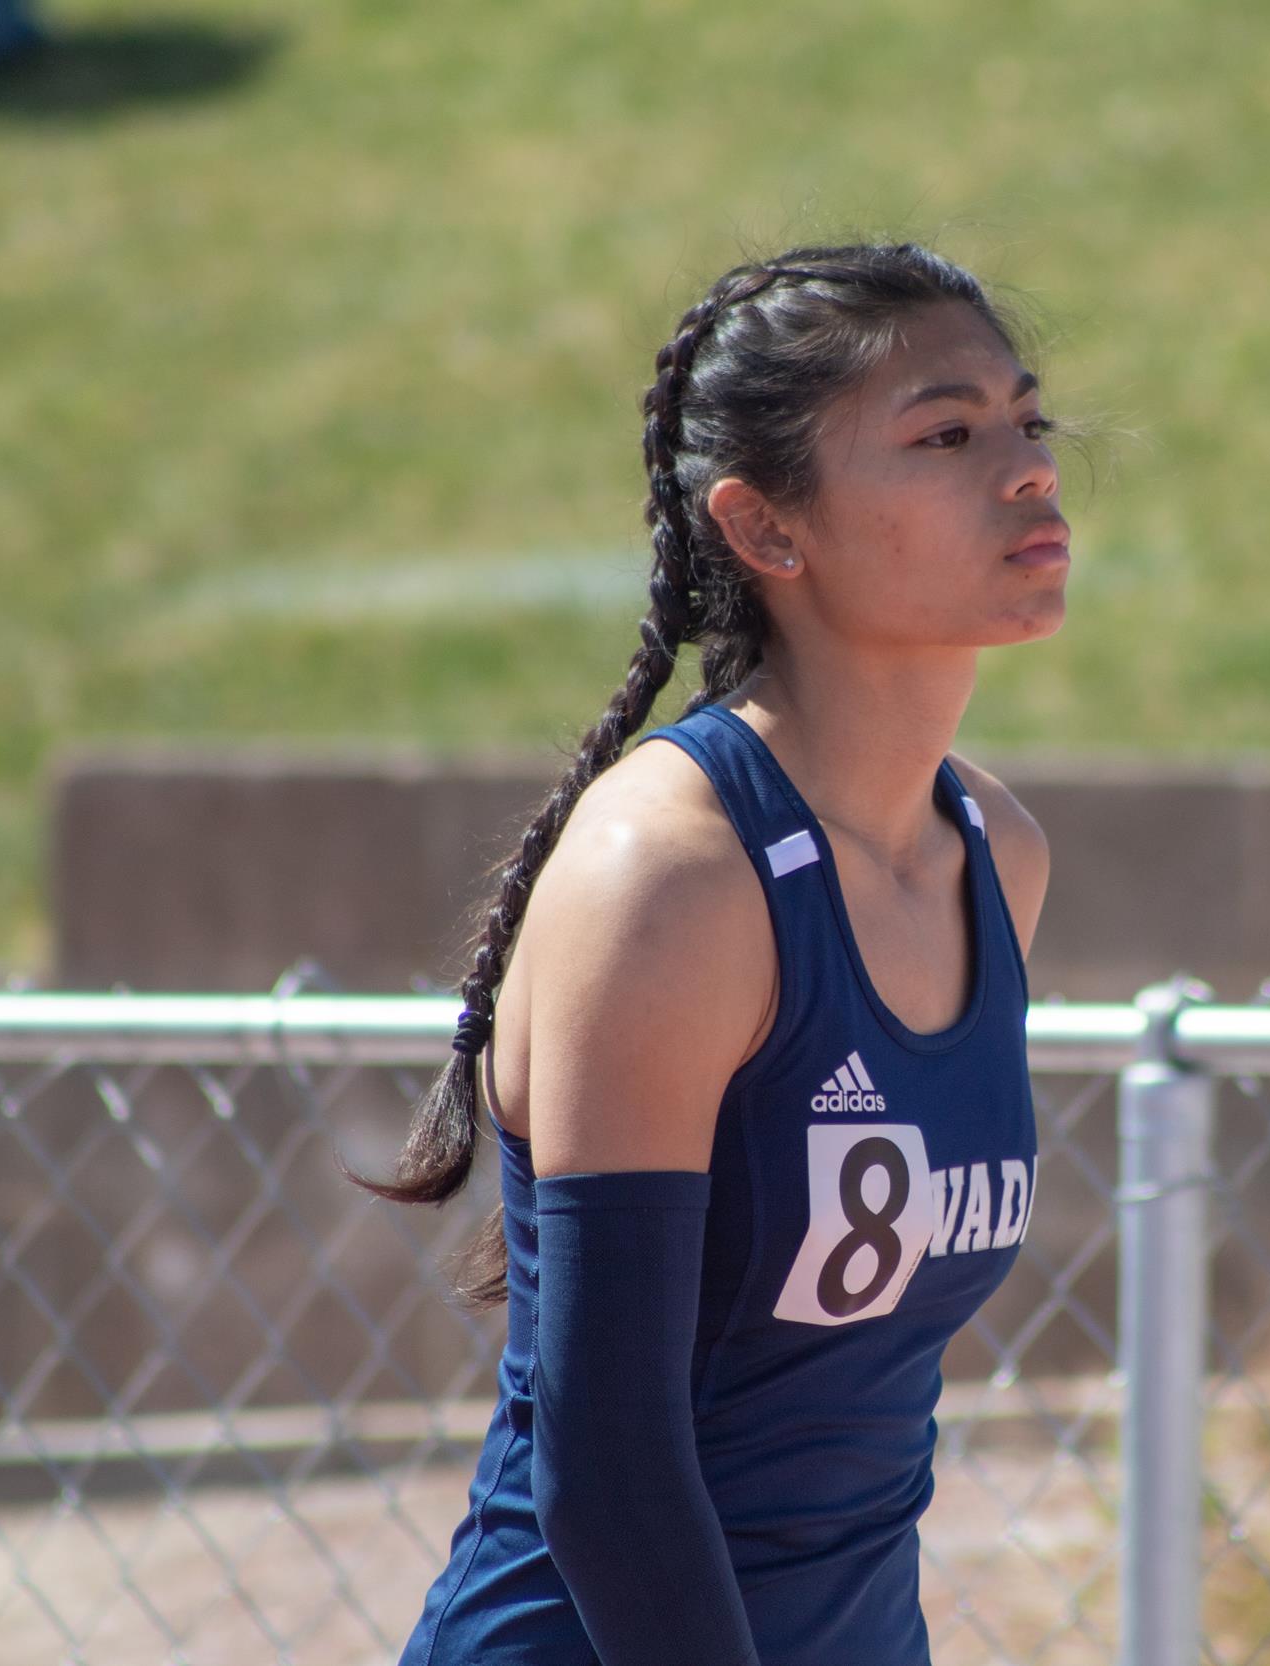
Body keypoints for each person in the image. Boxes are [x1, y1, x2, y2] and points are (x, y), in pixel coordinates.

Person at [343, 240, 1076, 1665]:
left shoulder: (997, 853)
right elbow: (609, 1470)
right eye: (946, 432)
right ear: (768, 528)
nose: (1028, 465)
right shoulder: (670, 875)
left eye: (1027, 419)